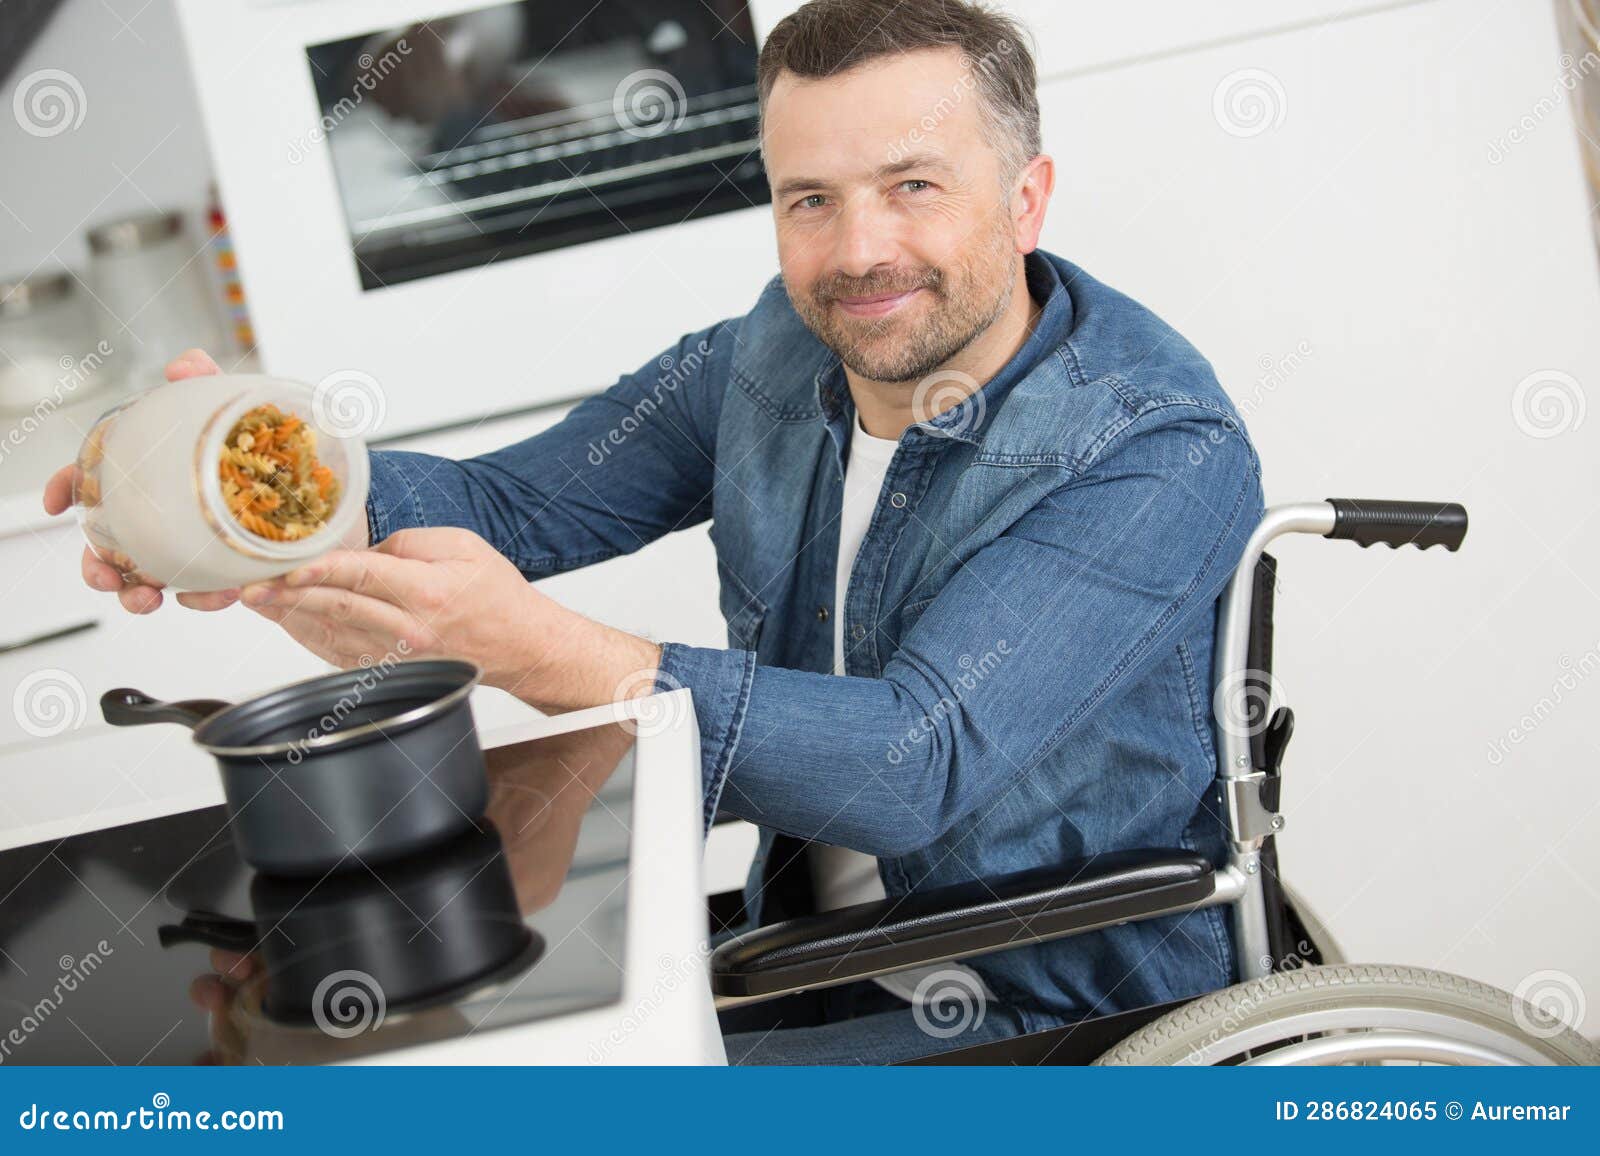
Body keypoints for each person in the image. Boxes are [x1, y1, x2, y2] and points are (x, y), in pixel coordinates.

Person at [44, 0, 1263, 1064]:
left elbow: (913, 764)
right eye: (809, 200)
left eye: (913, 187)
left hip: (1049, 1009)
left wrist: (533, 647)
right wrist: (244, 491)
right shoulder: (775, 356)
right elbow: (512, 509)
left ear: (1027, 197)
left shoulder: (1154, 450)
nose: (858, 251)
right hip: (811, 948)